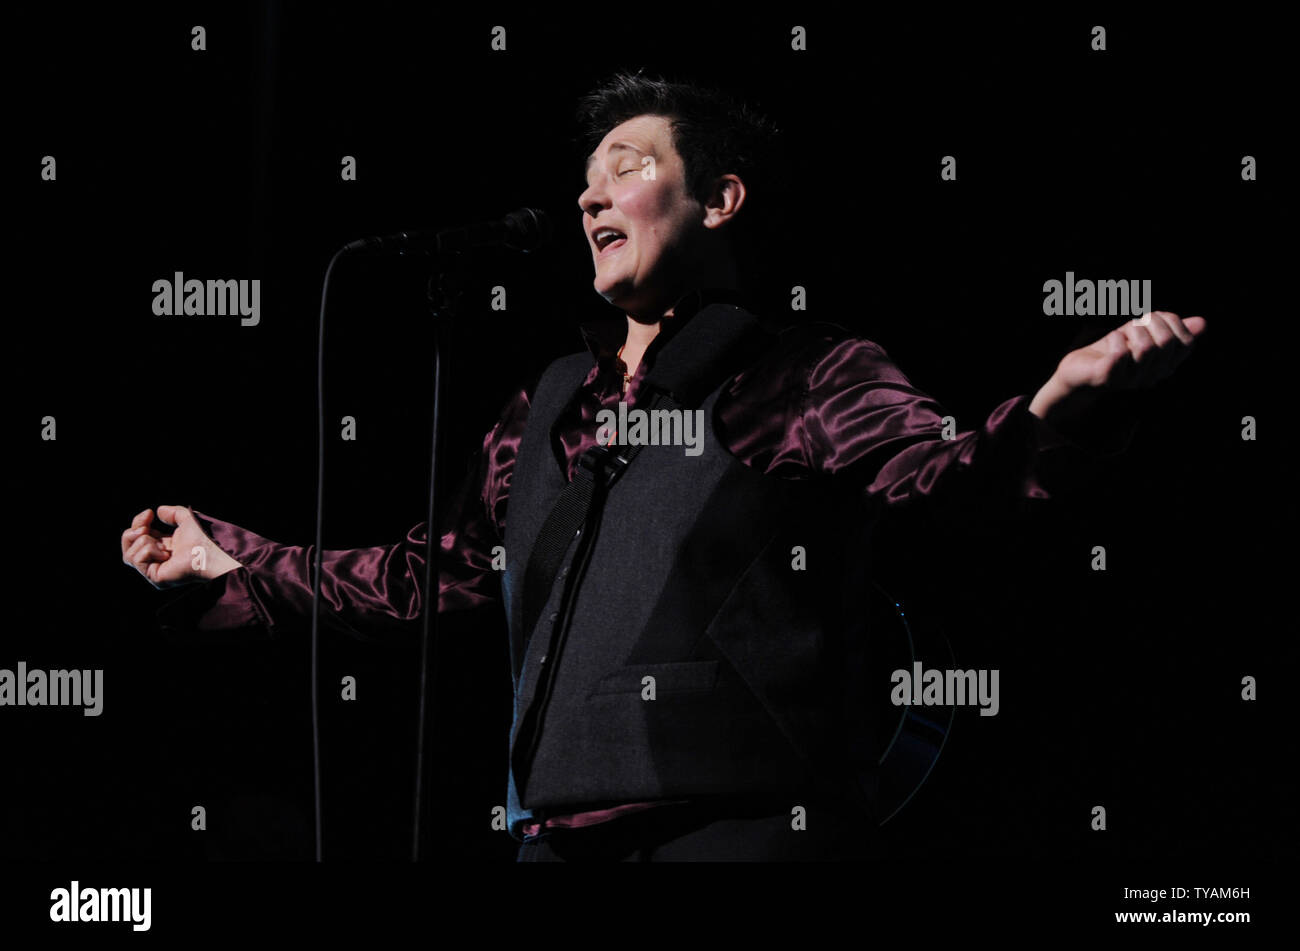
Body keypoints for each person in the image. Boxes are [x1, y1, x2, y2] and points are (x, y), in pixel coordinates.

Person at [120, 71, 1206, 861]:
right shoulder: (548, 403)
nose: (592, 197)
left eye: (628, 169)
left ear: (718, 199)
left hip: (735, 834)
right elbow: (437, 573)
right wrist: (239, 564)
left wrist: (1063, 410)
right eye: (584, 182)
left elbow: (951, 480)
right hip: (555, 839)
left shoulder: (804, 371)